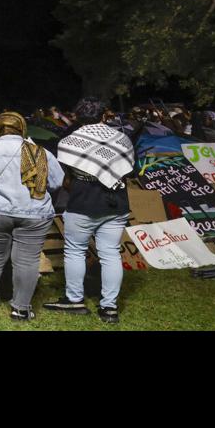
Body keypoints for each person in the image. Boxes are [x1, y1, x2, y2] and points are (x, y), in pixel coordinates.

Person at [0, 111, 64, 321]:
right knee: (27, 261)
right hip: (35, 214)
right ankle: (21, 309)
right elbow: (57, 181)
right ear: (22, 128)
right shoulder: (39, 152)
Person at [43, 97, 130, 324]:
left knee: (75, 251)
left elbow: (67, 178)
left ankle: (74, 300)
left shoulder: (69, 141)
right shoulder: (122, 138)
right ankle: (109, 307)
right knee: (110, 253)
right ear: (104, 116)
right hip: (116, 202)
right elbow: (128, 171)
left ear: (77, 117)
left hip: (83, 201)